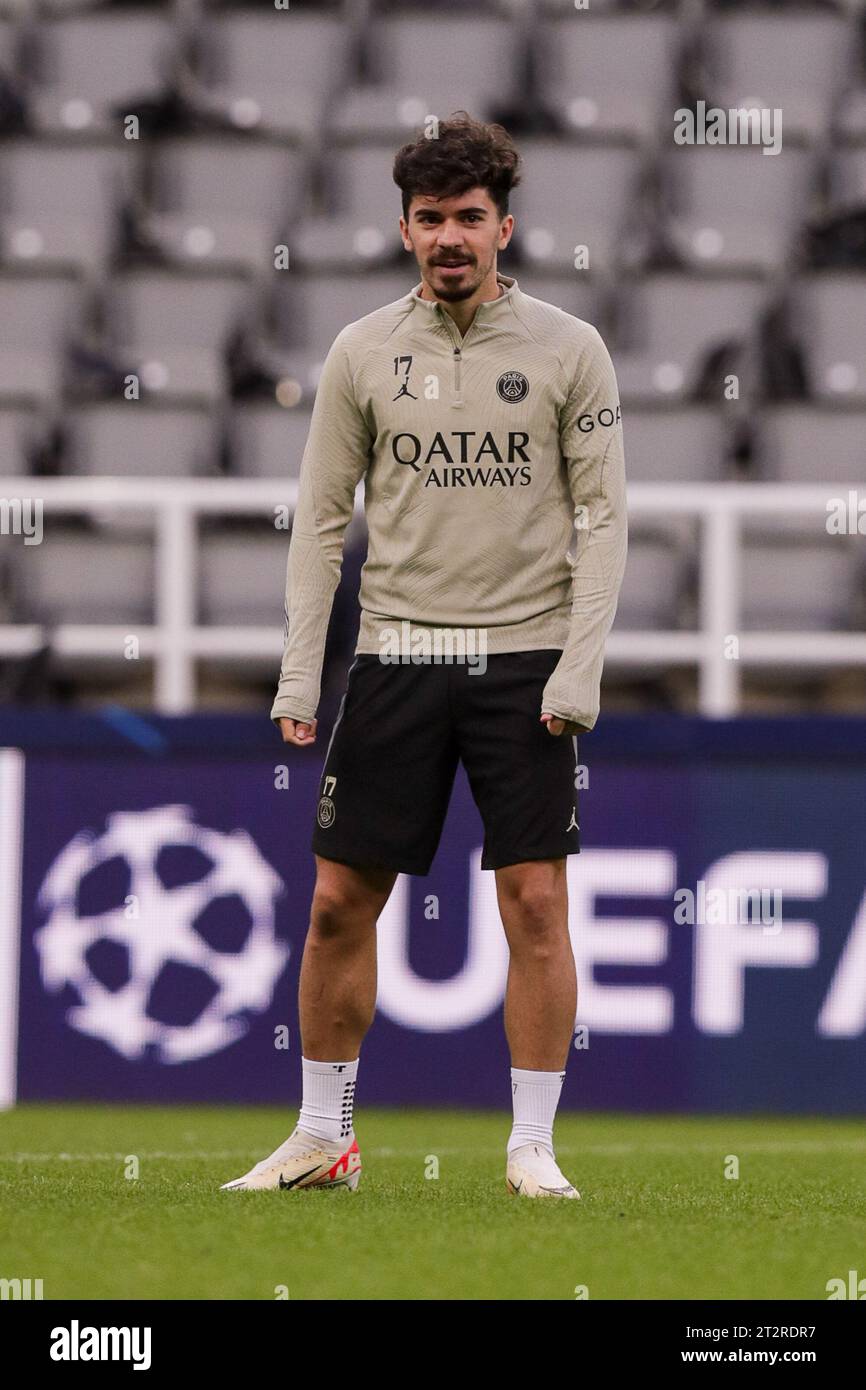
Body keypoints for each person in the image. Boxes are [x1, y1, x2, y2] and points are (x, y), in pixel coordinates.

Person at [222, 111, 627, 1199]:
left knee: (534, 905)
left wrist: (577, 668)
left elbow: (605, 517)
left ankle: (530, 1145)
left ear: (504, 226)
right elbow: (316, 520)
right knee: (334, 905)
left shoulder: (567, 350)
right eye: (430, 218)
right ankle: (322, 1136)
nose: (450, 236)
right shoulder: (361, 350)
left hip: (525, 660)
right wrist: (301, 672)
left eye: (469, 218)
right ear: (403, 227)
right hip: (397, 657)